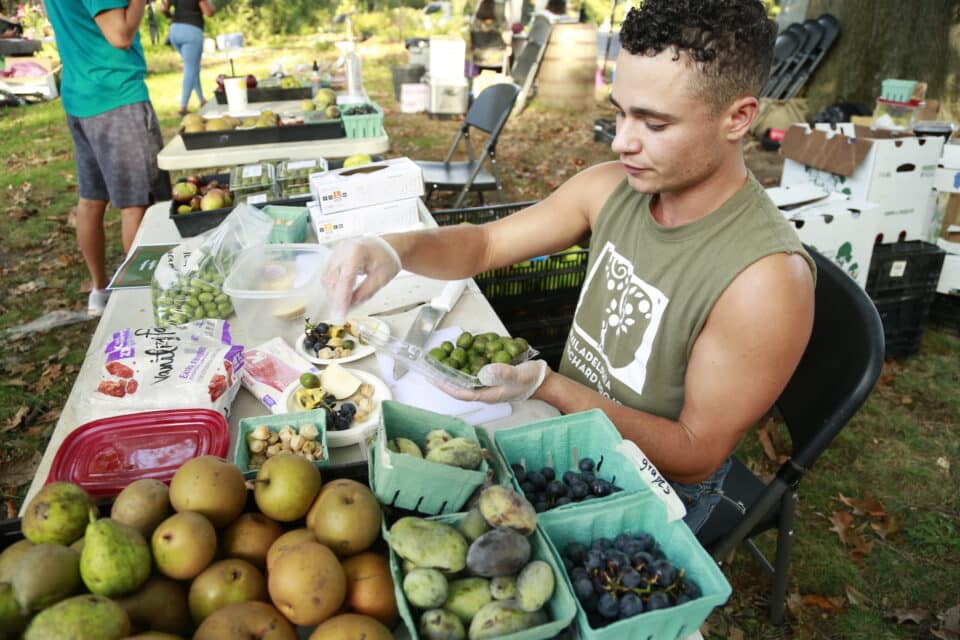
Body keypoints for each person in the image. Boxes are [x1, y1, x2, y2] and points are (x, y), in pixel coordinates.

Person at [323, 0, 815, 534]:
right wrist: (395, 248)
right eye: (620, 112)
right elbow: (485, 244)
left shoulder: (765, 281)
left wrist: (547, 386)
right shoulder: (613, 188)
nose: (622, 141)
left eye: (654, 123)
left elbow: (694, 454)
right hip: (562, 424)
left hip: (648, 485)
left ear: (738, 118)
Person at [45, 0, 171, 316]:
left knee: (91, 201)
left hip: (81, 96)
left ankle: (99, 291)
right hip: (116, 95)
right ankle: (147, 301)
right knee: (138, 205)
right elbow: (120, 35)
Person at [161, 0, 215, 116]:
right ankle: (183, 107)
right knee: (191, 69)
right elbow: (209, 12)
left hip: (174, 30)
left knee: (192, 67)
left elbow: (164, 9)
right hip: (192, 31)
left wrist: (171, 15)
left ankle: (202, 100)